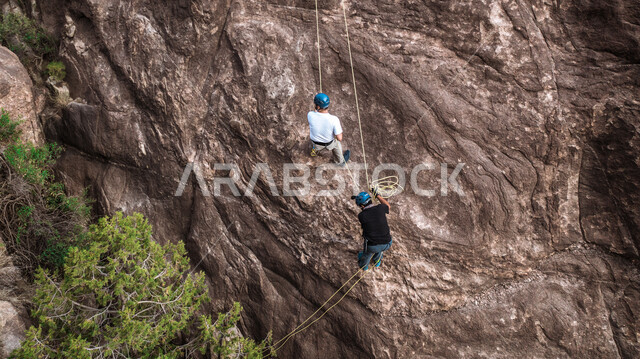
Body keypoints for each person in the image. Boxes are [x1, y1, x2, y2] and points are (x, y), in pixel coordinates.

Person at [352, 188, 392, 270]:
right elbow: (388, 206)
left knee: (367, 253)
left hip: (372, 247)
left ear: (362, 206)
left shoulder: (362, 216)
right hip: (387, 243)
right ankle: (377, 262)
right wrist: (377, 195)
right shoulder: (380, 208)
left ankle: (364, 266)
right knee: (380, 242)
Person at [307, 93, 350, 166]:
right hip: (328, 145)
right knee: (337, 143)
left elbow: (315, 112)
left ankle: (315, 151)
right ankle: (340, 161)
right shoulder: (334, 119)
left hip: (315, 144)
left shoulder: (310, 115)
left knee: (315, 145)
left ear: (317, 106)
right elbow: (340, 138)